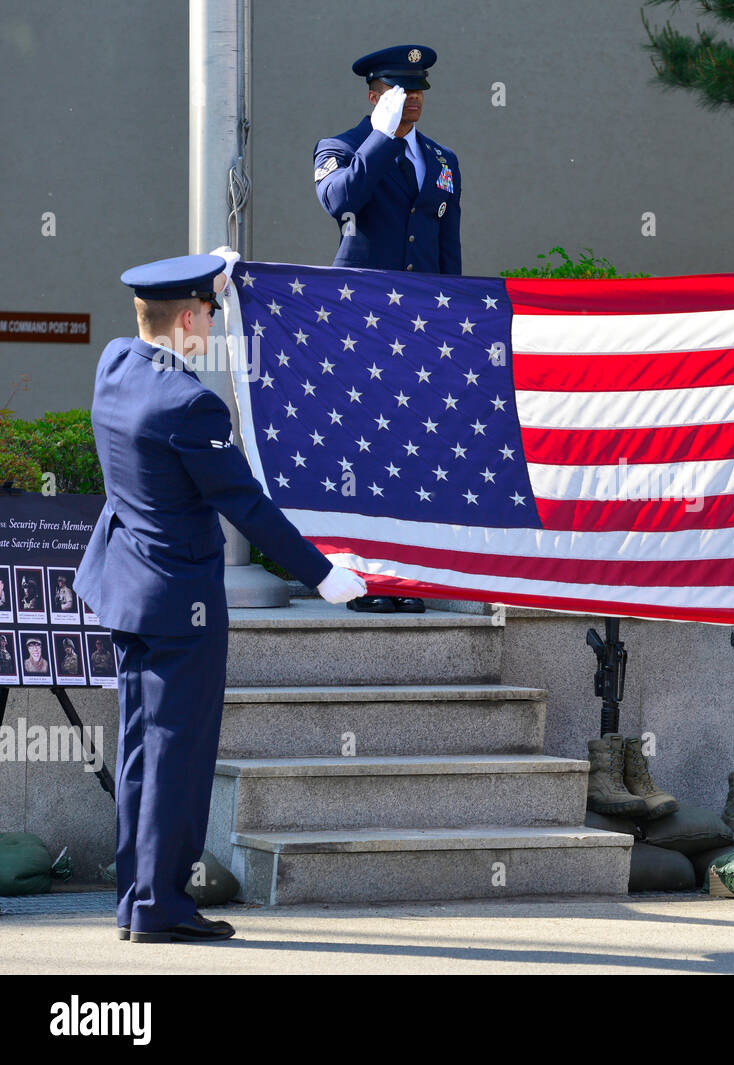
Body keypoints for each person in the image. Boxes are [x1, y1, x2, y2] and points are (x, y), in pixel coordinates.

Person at [73, 254, 367, 944]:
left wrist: (215, 274)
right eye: (210, 310)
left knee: (144, 748)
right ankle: (162, 906)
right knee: (179, 753)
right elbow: (244, 504)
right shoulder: (191, 405)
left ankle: (138, 898)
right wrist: (321, 575)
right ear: (186, 317)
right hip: (180, 602)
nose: (216, 321)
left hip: (129, 592)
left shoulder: (116, 365)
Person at [313, 43, 462, 614]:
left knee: (413, 445)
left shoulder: (442, 158)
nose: (414, 98)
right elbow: (339, 199)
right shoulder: (343, 148)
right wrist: (379, 138)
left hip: (420, 325)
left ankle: (404, 576)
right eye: (401, 89)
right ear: (375, 94)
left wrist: (452, 320)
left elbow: (447, 248)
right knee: (362, 447)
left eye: (419, 88)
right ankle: (357, 574)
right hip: (362, 324)